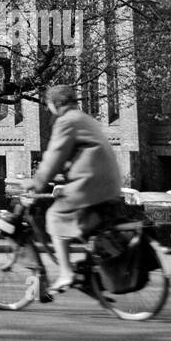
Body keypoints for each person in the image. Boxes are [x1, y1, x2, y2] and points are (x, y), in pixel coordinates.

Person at [31, 82, 123, 292]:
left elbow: (55, 155)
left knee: (54, 215)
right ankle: (90, 270)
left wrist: (37, 181)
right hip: (110, 183)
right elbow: (78, 151)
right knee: (87, 225)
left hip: (92, 183)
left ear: (55, 105)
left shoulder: (66, 122)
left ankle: (66, 273)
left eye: (49, 106)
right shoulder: (85, 118)